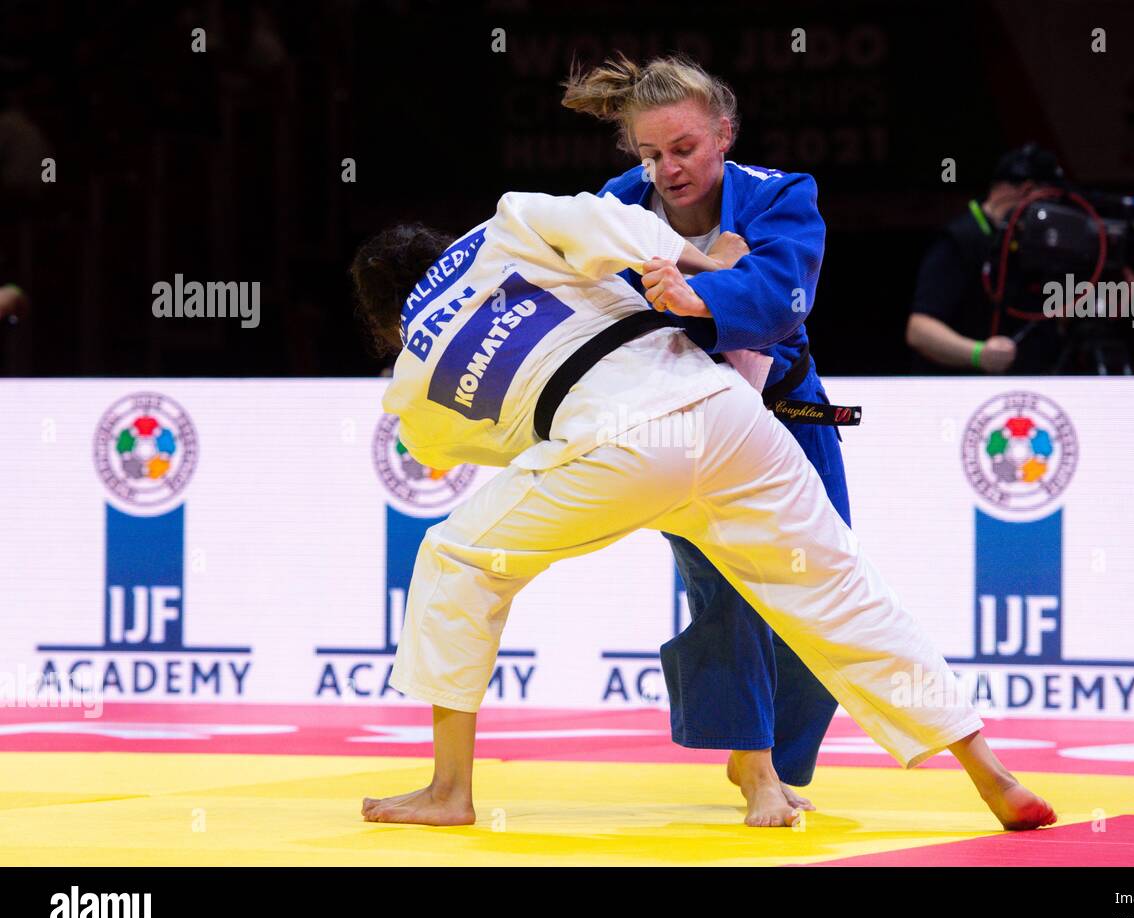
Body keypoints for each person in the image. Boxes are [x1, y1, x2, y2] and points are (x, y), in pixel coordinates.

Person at [351, 187, 1056, 830]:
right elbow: (603, 220)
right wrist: (705, 258)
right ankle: (989, 772)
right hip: (726, 413)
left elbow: (439, 448)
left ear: (385, 318)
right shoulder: (501, 226)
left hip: (616, 446)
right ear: (441, 250)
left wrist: (437, 362)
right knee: (842, 590)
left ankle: (449, 790)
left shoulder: (411, 371)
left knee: (455, 558)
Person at [562, 53, 845, 808]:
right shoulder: (614, 208)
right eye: (651, 154)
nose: (668, 170)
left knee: (820, 587)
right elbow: (593, 308)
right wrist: (714, 268)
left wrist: (697, 290)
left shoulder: (782, 194)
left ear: (724, 133)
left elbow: (784, 300)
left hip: (787, 412)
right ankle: (753, 767)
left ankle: (778, 762)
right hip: (679, 419)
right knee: (722, 586)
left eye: (683, 148)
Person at [906, 143, 1068, 375]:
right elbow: (919, 330)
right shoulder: (959, 240)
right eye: (1049, 201)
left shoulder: (1032, 246)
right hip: (958, 396)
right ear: (1028, 190)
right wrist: (977, 353)